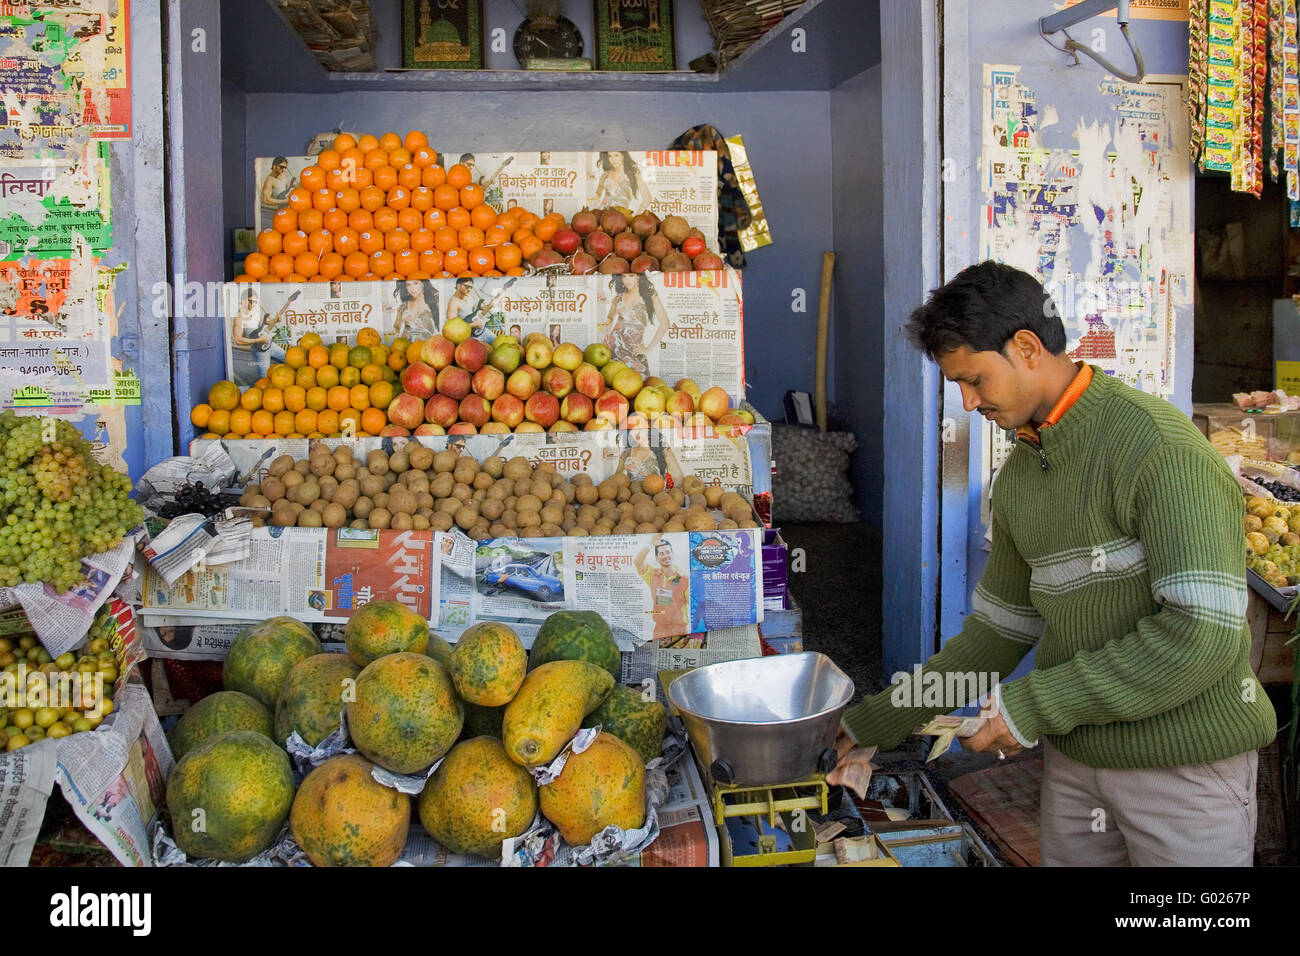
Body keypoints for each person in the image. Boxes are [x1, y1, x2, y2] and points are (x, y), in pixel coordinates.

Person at [830, 261, 1277, 867]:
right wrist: (870, 724)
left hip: (1183, 772)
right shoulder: (1019, 477)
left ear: (1026, 347)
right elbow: (993, 638)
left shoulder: (1159, 449)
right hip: (1076, 767)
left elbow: (1201, 636)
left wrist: (1033, 707)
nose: (968, 401)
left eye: (975, 380)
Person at [603, 273, 669, 376]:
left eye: (631, 276)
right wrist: (607, 332)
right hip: (613, 348)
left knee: (641, 381)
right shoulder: (618, 298)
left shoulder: (650, 296)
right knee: (611, 380)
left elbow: (665, 323)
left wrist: (648, 349)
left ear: (638, 276)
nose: (627, 280)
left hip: (635, 351)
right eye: (624, 277)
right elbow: (610, 318)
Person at [635, 535, 689, 642]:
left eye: (668, 552)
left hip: (679, 628)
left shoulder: (684, 578)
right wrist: (650, 544)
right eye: (661, 553)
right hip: (660, 628)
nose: (666, 556)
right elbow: (638, 562)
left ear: (672, 554)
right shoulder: (653, 574)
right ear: (657, 558)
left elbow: (695, 604)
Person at [258, 156, 292, 232]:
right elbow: (266, 200)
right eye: (281, 167)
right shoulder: (269, 181)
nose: (283, 169)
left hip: (280, 213)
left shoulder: (283, 176)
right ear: (274, 166)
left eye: (285, 168)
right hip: (269, 214)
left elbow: (293, 185)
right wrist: (285, 201)